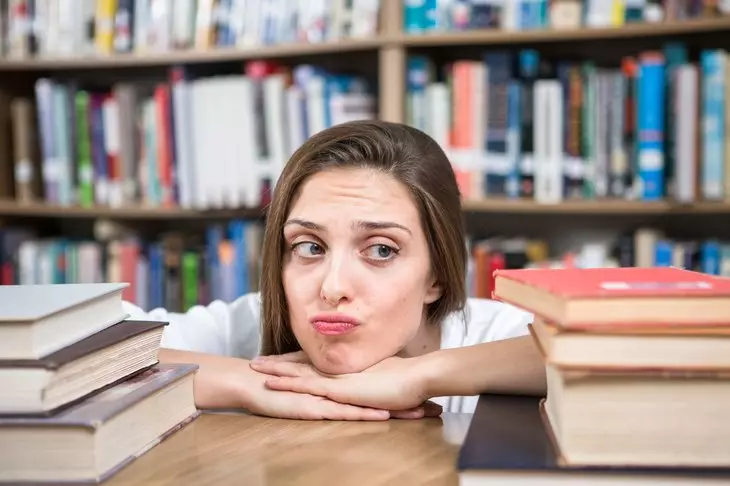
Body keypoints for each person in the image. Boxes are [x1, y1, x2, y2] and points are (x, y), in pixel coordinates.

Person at [122, 120, 545, 420]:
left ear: (436, 275)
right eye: (310, 246)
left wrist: (417, 377)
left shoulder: (491, 334)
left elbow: (599, 355)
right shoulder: (250, 325)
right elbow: (74, 354)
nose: (333, 287)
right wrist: (248, 383)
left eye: (381, 250)